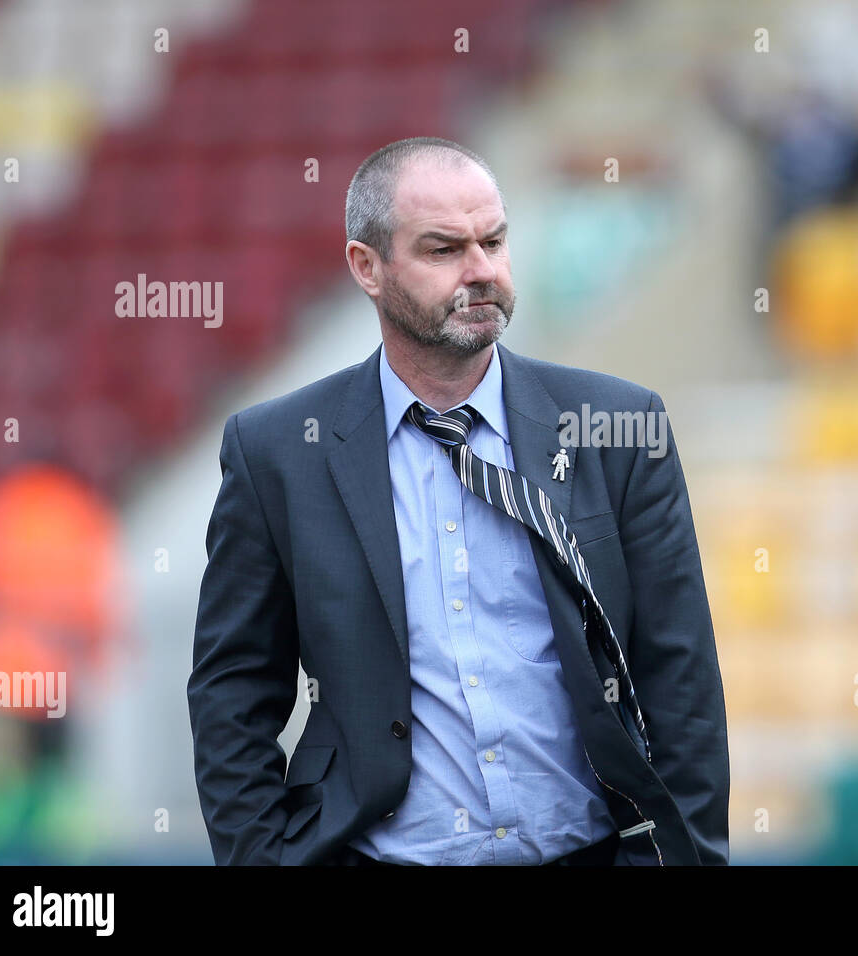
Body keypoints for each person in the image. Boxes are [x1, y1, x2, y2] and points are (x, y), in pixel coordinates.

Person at [186, 137, 729, 866]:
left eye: (494, 240)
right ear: (366, 267)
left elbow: (682, 680)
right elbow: (232, 693)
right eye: (444, 249)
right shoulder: (277, 452)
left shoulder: (618, 429)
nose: (481, 271)